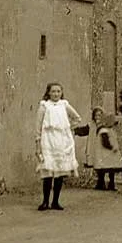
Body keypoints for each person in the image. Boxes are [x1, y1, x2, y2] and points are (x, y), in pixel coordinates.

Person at [35, 83, 85, 211]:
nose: (56, 94)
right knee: (48, 172)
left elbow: (77, 118)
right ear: (48, 93)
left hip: (62, 141)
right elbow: (38, 127)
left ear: (61, 93)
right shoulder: (44, 106)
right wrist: (38, 144)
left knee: (60, 173)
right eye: (53, 91)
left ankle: (55, 202)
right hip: (48, 141)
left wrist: (67, 128)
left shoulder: (65, 105)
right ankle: (45, 201)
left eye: (58, 91)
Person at [89, 106, 122, 191]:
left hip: (108, 155)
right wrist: (112, 147)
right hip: (105, 154)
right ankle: (102, 184)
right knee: (105, 169)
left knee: (109, 170)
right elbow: (105, 142)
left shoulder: (108, 130)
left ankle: (109, 184)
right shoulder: (104, 130)